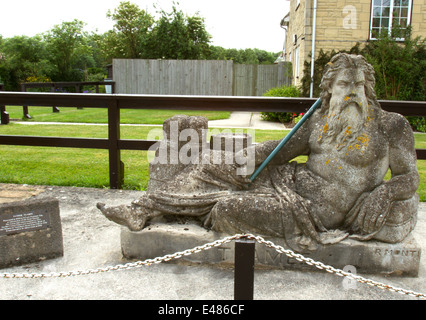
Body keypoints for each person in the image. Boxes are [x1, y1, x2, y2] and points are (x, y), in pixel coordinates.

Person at [97, 53, 419, 252]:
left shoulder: (391, 127)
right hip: (290, 179)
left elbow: (411, 178)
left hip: (309, 211)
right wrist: (246, 158)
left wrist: (388, 191)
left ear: (368, 88)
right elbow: (279, 151)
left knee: (227, 209)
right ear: (329, 90)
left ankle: (177, 210)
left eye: (358, 85)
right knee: (215, 165)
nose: (352, 93)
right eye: (344, 85)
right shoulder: (320, 119)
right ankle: (143, 209)